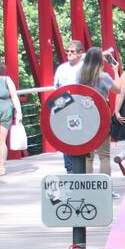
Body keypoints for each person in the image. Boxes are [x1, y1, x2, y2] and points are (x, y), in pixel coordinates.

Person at [74, 46, 115, 177]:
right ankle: (105, 188)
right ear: (100, 61)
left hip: (85, 117)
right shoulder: (104, 77)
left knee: (88, 155)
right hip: (102, 116)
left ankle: (87, 188)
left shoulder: (80, 76)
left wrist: (96, 54)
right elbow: (118, 90)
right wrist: (115, 70)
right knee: (104, 156)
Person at [53, 40, 86, 171]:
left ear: (80, 53)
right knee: (65, 137)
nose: (69, 54)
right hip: (64, 103)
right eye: (68, 51)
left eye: (72, 51)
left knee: (78, 137)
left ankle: (81, 167)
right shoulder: (62, 68)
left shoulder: (85, 68)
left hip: (80, 105)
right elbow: (56, 87)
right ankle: (69, 168)